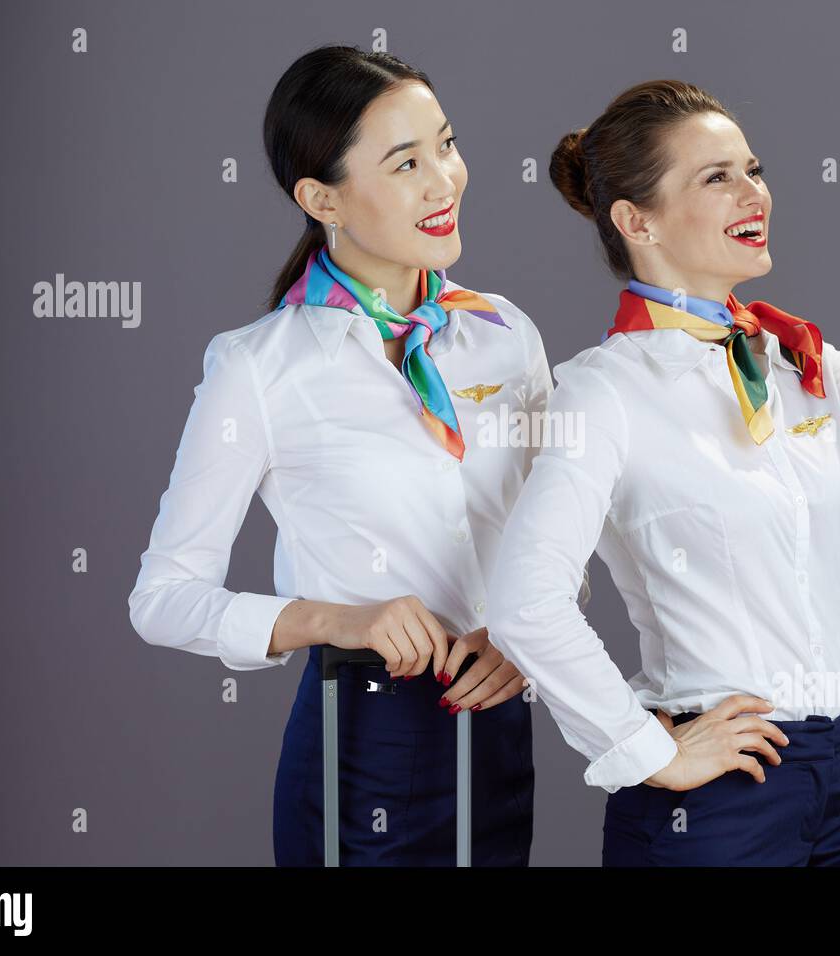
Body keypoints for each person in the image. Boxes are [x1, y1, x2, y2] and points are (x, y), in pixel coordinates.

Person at [486, 79, 840, 866]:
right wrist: (646, 749)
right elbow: (524, 599)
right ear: (635, 220)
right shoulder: (602, 390)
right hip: (714, 803)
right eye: (717, 178)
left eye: (755, 168)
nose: (756, 194)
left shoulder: (789, 357)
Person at [128, 45, 579, 866]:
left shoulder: (504, 334)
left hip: (501, 727)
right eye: (406, 163)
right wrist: (340, 619)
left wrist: (523, 631)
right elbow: (162, 598)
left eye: (446, 144)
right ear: (320, 197)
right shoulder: (259, 367)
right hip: (364, 736)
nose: (444, 181)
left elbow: (558, 534)